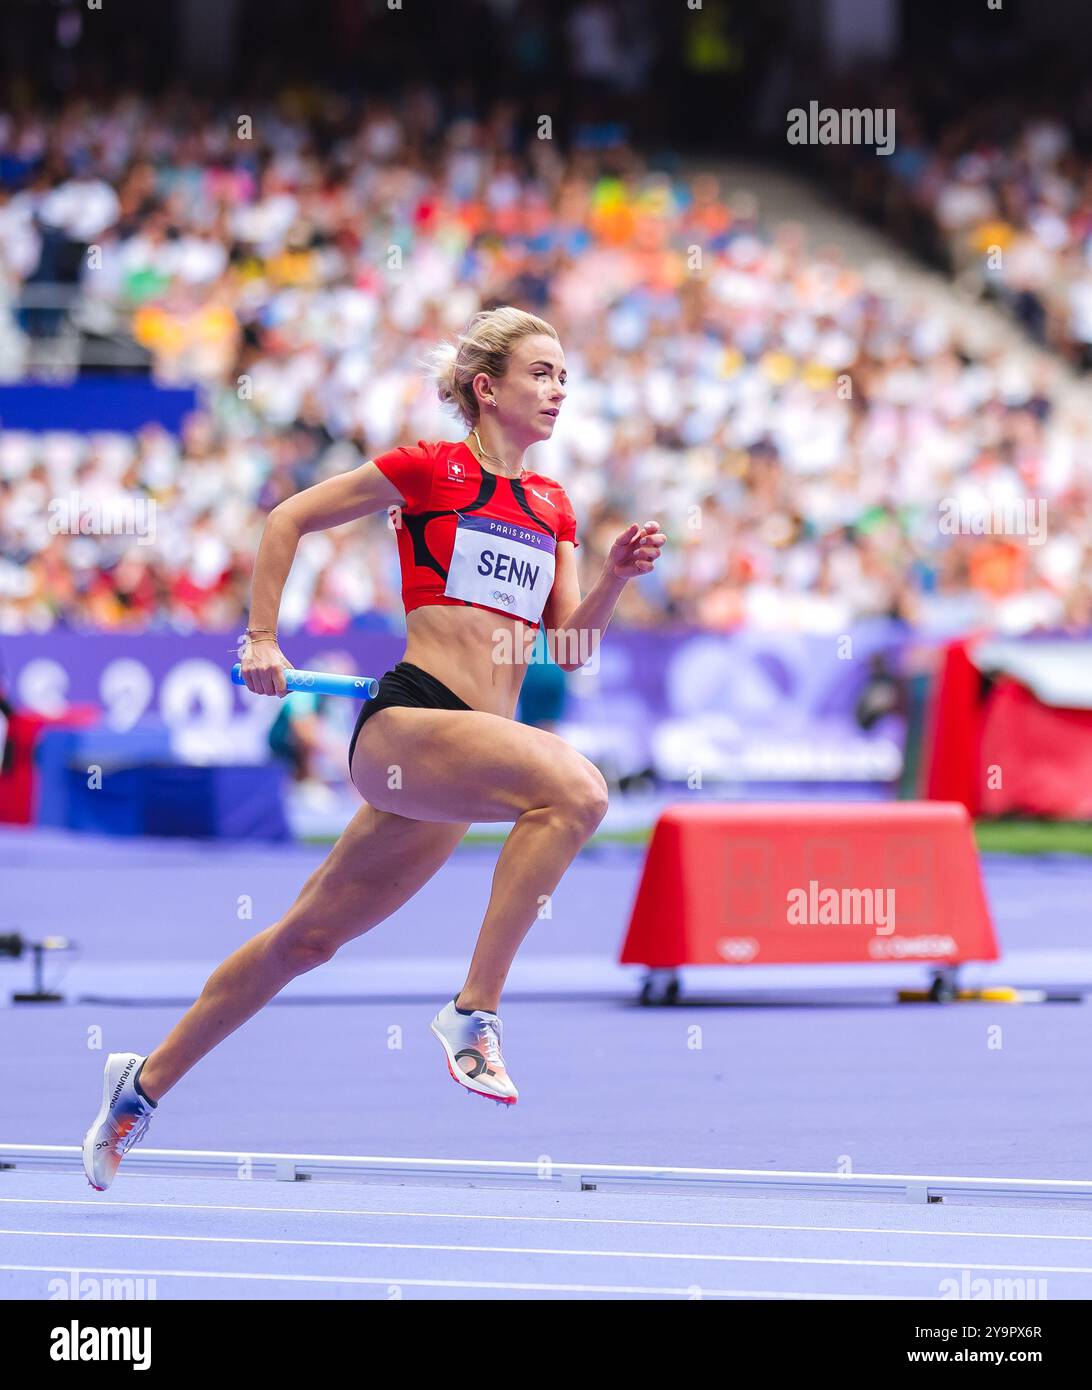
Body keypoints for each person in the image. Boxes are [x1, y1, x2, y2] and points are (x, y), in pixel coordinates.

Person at [82, 306, 665, 1190]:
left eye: (563, 380)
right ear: (487, 387)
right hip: (409, 723)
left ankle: (143, 1084)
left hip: (472, 750)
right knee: (579, 792)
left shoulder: (552, 506)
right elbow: (287, 521)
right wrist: (263, 640)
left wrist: (615, 577)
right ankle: (475, 1013)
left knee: (305, 940)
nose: (556, 392)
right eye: (541, 374)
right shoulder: (427, 471)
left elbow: (572, 649)